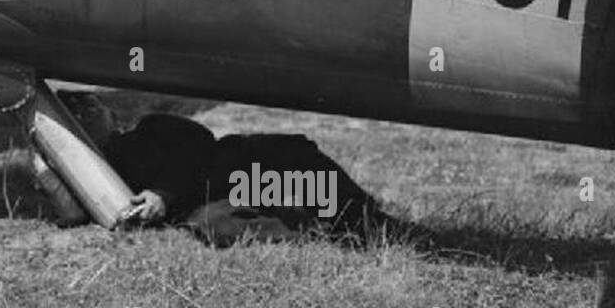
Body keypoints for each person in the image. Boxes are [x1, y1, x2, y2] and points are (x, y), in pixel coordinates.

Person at [60, 93, 389, 244]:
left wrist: (162, 193)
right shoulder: (97, 175)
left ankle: (369, 221)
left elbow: (197, 142)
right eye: (74, 111)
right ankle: (325, 232)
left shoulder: (152, 127)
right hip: (207, 207)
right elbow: (71, 212)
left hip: (242, 170)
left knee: (303, 169)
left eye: (90, 104)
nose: (84, 110)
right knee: (217, 225)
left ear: (114, 117)